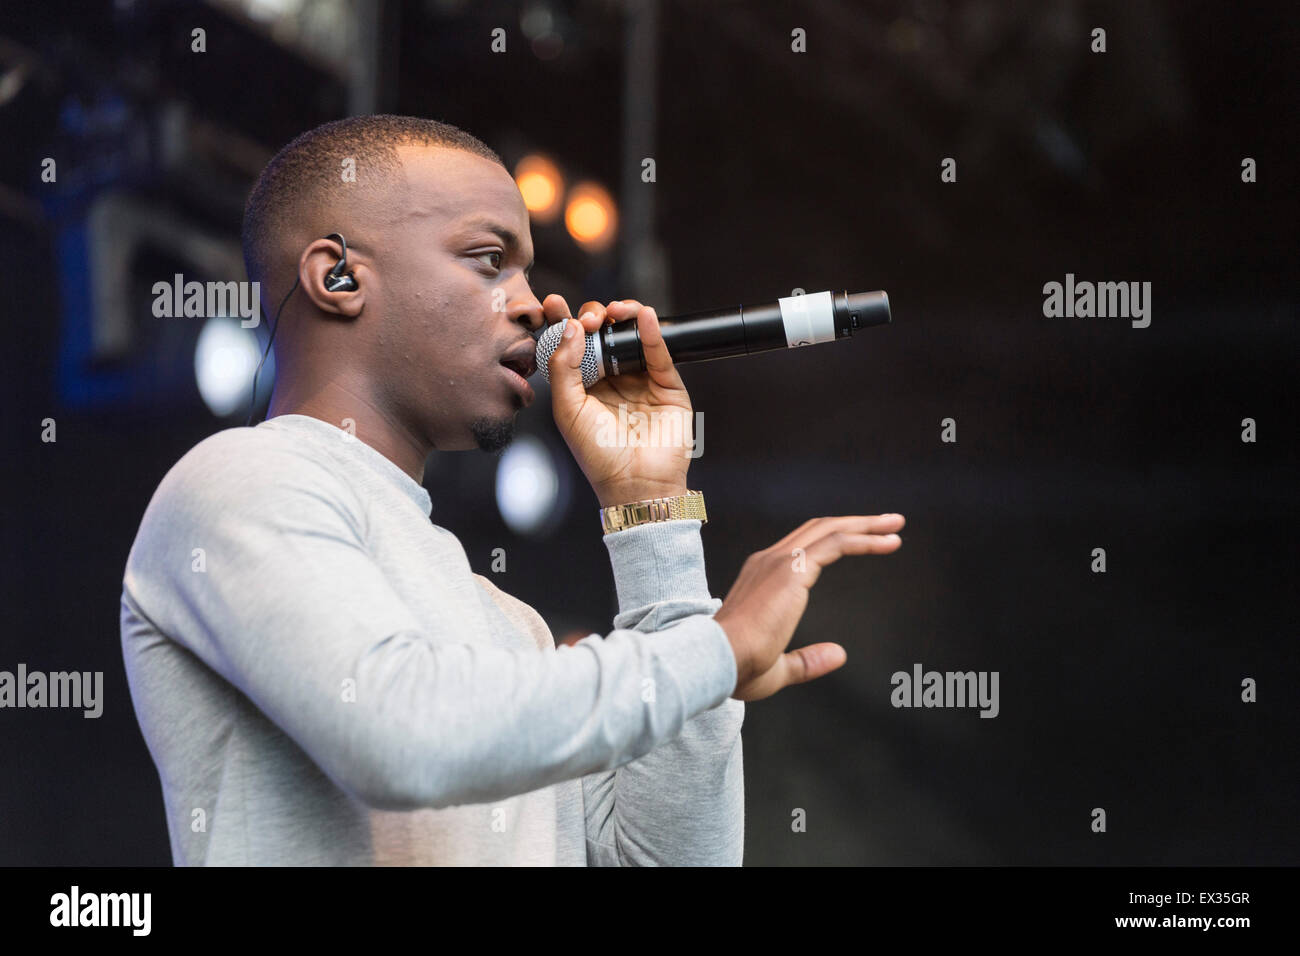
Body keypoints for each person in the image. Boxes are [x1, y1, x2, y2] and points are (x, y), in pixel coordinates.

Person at [118, 114, 905, 866]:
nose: (534, 304)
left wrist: (653, 515)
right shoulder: (236, 483)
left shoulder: (516, 635)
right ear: (339, 274)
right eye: (489, 260)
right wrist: (718, 649)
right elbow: (400, 734)